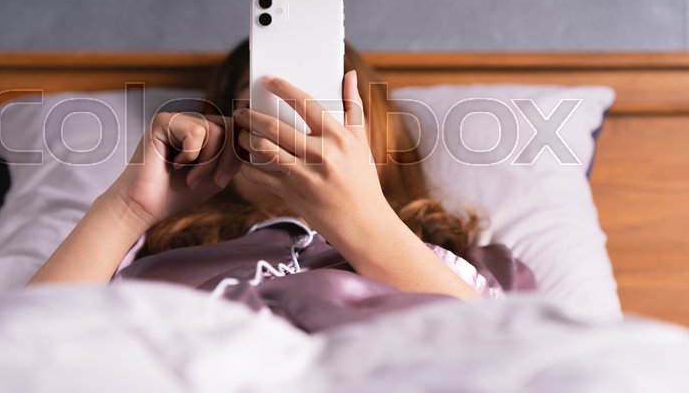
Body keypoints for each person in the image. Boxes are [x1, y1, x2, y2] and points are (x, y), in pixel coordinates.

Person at [28, 41, 526, 323]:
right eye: (266, 103)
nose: (295, 124)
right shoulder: (141, 255)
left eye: (323, 102)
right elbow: (9, 354)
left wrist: (364, 221)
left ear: (379, 130)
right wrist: (126, 210)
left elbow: (510, 365)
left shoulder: (479, 266)